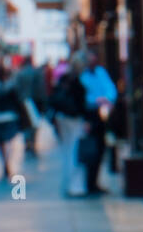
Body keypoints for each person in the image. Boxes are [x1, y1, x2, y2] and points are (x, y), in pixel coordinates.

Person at [49, 53, 89, 197]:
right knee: (75, 151)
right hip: (74, 119)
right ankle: (75, 186)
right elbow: (82, 103)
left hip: (62, 117)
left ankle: (68, 183)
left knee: (67, 150)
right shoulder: (78, 81)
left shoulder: (64, 78)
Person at [79, 51, 119, 195]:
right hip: (90, 115)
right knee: (91, 150)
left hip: (102, 114)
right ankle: (89, 183)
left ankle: (95, 182)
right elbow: (85, 97)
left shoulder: (100, 72)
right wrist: (97, 100)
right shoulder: (83, 76)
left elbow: (110, 90)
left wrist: (107, 99)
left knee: (101, 148)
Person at [0, 65, 24, 180]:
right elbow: (17, 102)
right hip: (10, 117)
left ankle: (5, 161)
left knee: (1, 142)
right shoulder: (11, 87)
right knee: (10, 141)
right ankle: (8, 161)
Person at [13, 55, 48, 156]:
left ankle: (27, 142)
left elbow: (16, 88)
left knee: (26, 124)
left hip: (23, 101)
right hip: (35, 101)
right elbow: (42, 89)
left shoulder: (20, 73)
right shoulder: (37, 73)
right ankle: (32, 142)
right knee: (35, 124)